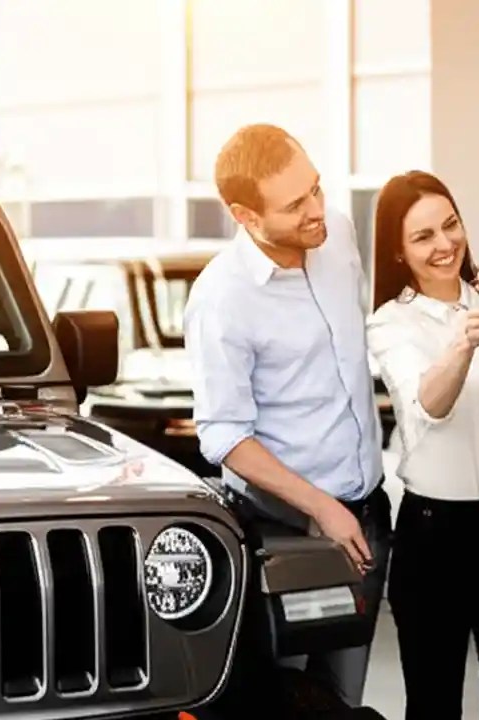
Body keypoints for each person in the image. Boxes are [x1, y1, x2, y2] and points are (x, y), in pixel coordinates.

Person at [183, 122, 390, 707]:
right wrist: (321, 507)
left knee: (344, 699)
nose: (317, 210)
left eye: (316, 188)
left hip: (365, 517)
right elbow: (223, 435)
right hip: (285, 530)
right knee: (285, 701)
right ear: (246, 216)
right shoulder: (221, 298)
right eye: (295, 204)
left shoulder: (338, 235)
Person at [365, 170, 479, 719]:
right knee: (433, 705)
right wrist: (462, 342)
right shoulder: (390, 323)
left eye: (451, 225)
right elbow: (430, 403)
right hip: (435, 537)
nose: (445, 243)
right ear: (398, 251)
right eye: (423, 236)